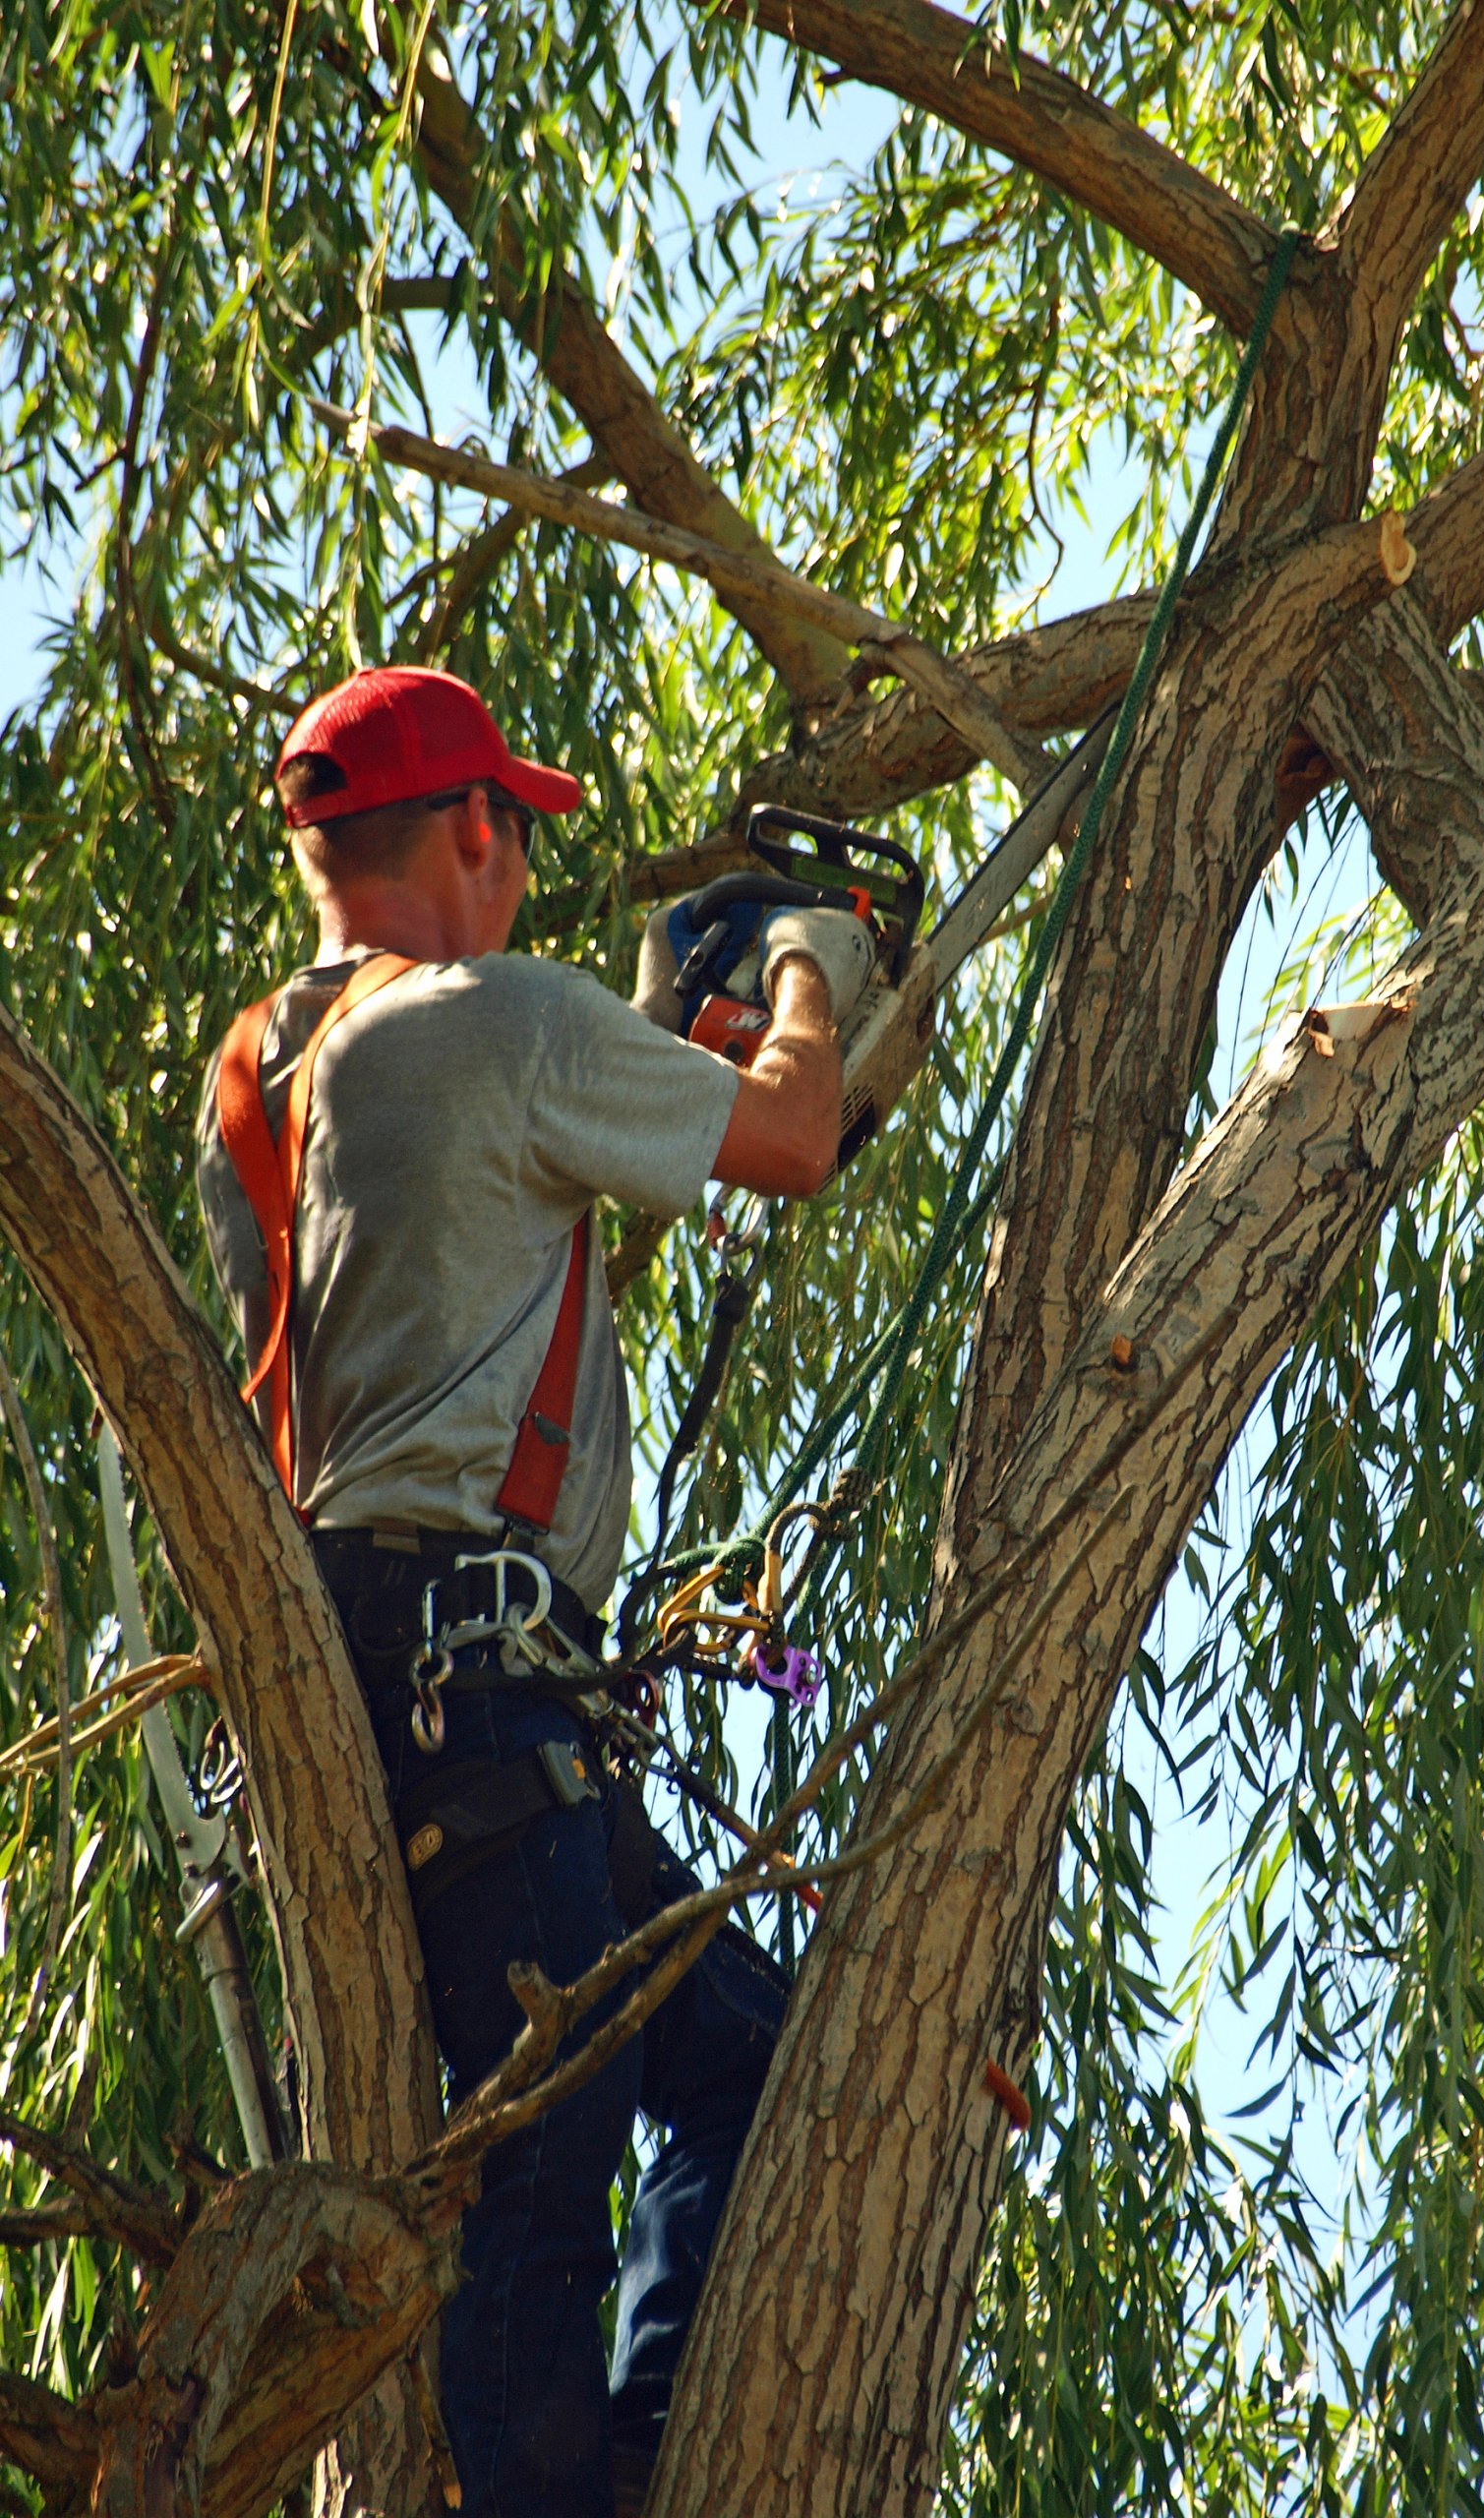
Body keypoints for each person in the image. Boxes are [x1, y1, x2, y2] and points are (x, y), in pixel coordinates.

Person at [194, 664, 872, 2518]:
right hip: (480, 1704)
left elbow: (498, 1217)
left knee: (748, 2050)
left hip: (376, 1695)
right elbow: (796, 1136)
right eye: (521, 837)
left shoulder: (268, 1069)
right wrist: (810, 964)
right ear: (478, 829)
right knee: (535, 2201)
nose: (526, 872)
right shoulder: (497, 1019)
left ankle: (659, 2460)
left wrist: (652, 1036)